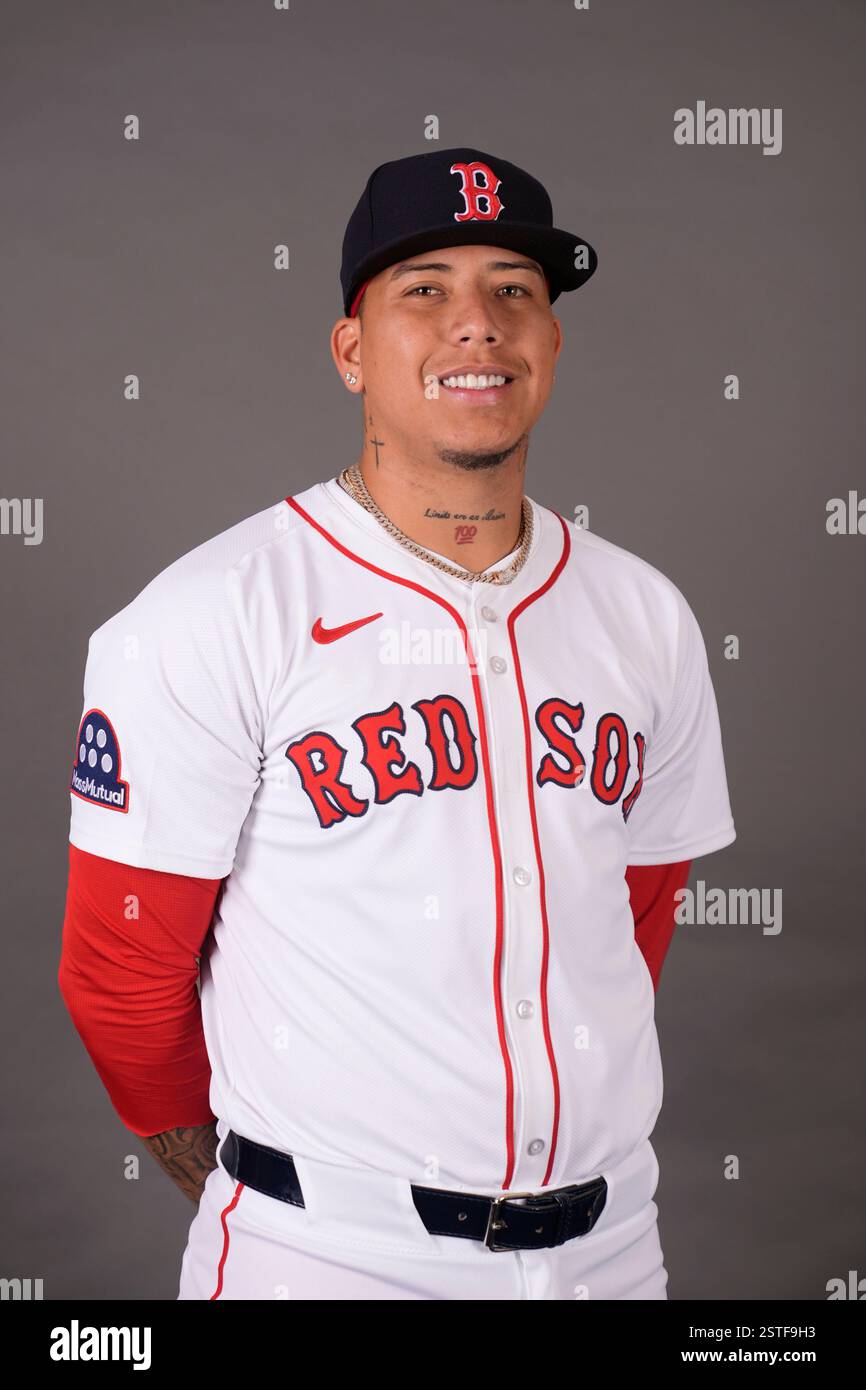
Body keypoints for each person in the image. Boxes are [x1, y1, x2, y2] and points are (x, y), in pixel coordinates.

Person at [58, 147, 736, 1300]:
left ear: (551, 346)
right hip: (327, 1256)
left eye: (513, 290)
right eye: (423, 288)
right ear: (352, 350)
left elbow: (629, 919)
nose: (477, 323)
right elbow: (121, 968)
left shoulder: (645, 613)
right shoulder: (210, 611)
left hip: (610, 1252)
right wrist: (252, 1191)